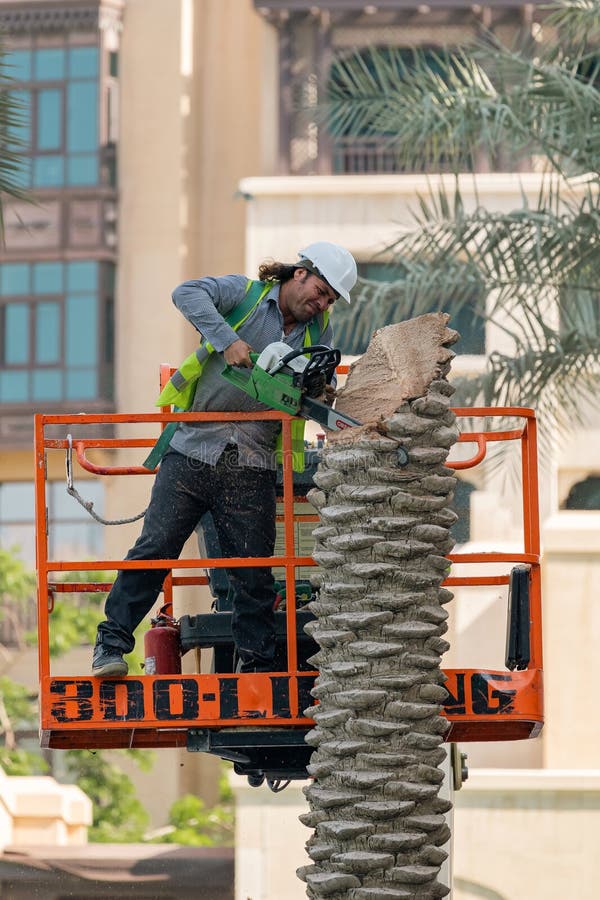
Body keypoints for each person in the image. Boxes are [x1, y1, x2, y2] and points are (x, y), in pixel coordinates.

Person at [92, 241, 358, 676]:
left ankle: (255, 668)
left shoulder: (318, 334)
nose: (322, 303)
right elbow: (186, 293)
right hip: (192, 449)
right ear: (300, 273)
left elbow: (313, 383)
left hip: (251, 460)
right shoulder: (245, 294)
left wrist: (315, 390)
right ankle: (111, 645)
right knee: (155, 550)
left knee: (252, 574)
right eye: (322, 291)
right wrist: (227, 340)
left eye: (330, 299)